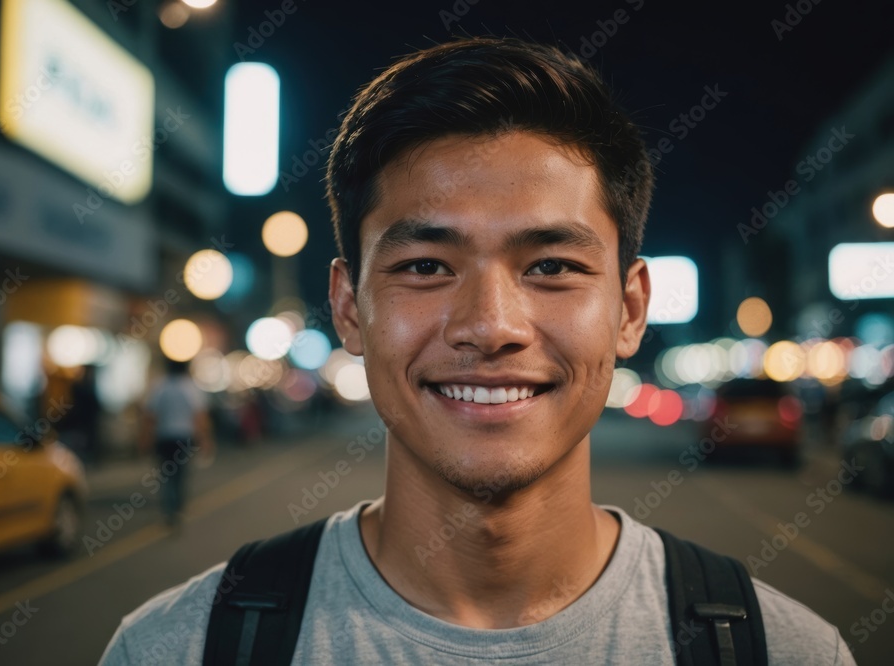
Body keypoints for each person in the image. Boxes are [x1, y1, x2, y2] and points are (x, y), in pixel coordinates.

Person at [101, 37, 855, 664]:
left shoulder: (780, 650)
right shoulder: (182, 646)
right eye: (425, 266)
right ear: (348, 308)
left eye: (552, 267)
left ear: (629, 310)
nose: (491, 325)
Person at [139, 358, 213, 529]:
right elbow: (199, 416)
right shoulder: (190, 388)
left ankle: (169, 509)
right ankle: (178, 507)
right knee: (180, 474)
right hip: (183, 437)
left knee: (165, 475)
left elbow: (150, 416)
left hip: (163, 437)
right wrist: (205, 440)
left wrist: (144, 439)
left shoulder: (160, 387)